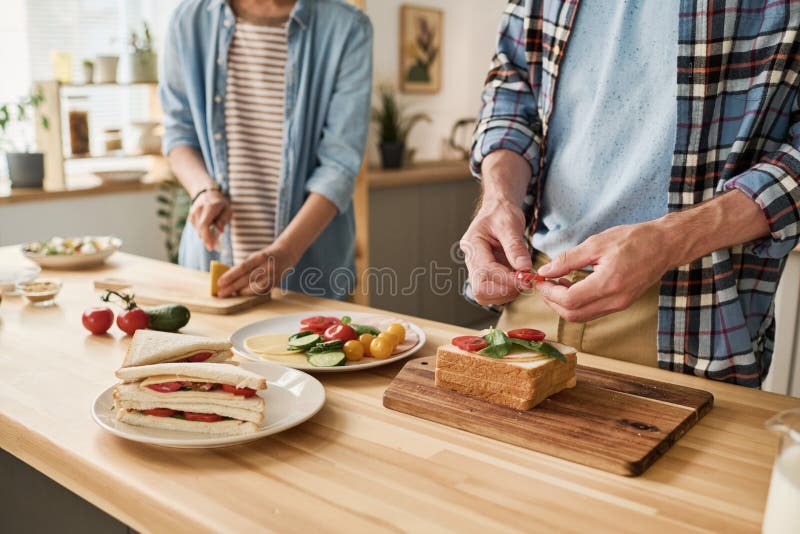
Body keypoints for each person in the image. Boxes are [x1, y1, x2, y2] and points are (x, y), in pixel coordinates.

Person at [461, 0, 800, 387]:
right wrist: (498, 199)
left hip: (695, 315)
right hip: (534, 289)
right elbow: (512, 90)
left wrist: (673, 239)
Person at [160, 0, 372, 299]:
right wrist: (203, 190)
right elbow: (178, 135)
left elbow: (339, 164)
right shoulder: (188, 20)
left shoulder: (348, 27)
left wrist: (286, 252)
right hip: (210, 269)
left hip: (310, 278)